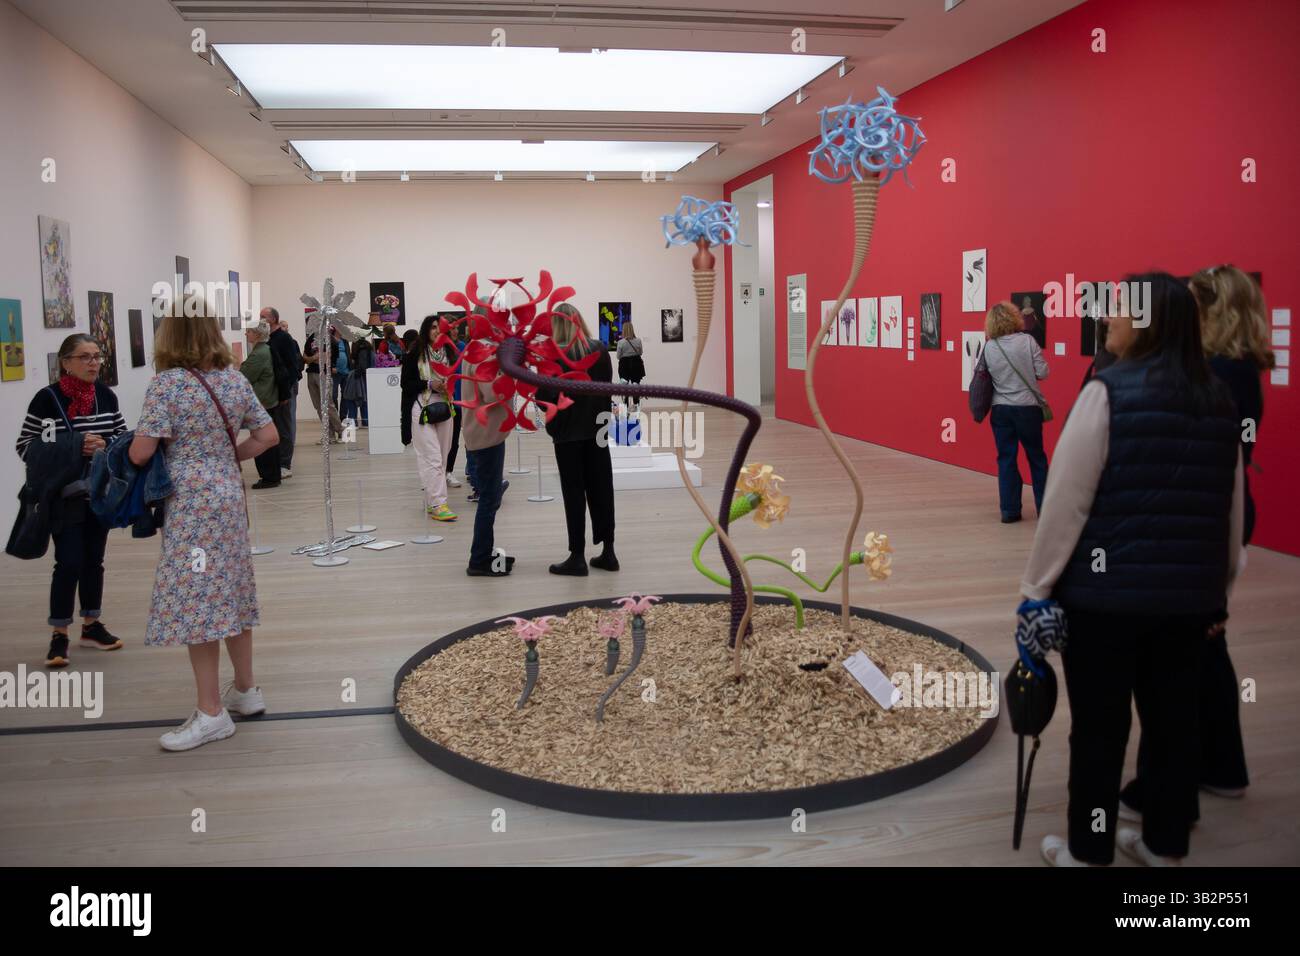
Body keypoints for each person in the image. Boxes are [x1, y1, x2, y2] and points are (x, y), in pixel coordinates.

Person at [1023, 273, 1243, 867]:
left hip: (1105, 603)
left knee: (1099, 731)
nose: (1108, 319)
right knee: (1174, 727)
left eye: (1118, 310)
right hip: (1188, 604)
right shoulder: (1219, 399)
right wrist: (1217, 595)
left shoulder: (1107, 392)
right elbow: (1230, 512)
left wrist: (1036, 588)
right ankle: (1164, 845)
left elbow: (1066, 503)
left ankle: (1091, 851)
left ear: (1144, 321)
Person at [1114, 266, 1275, 820]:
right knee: (1202, 646)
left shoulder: (1219, 375)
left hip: (1201, 519)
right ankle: (1219, 766)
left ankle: (1167, 790)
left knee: (1175, 658)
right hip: (1215, 516)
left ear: (1210, 311)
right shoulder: (1238, 370)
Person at [129, 305, 280, 751]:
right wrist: (225, 457)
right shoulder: (234, 380)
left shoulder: (168, 385)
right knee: (232, 586)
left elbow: (140, 453)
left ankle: (212, 712)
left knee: (198, 599)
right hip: (229, 499)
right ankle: (247, 690)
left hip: (192, 505)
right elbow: (268, 436)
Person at [15, 333, 127, 667]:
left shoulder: (106, 396)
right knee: (69, 562)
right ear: (66, 363)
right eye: (84, 357)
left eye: (97, 356)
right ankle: (59, 633)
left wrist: (107, 446)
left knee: (94, 560)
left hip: (99, 492)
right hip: (63, 495)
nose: (93, 363)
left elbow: (120, 437)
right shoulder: (47, 400)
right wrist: (75, 445)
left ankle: (91, 626)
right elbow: (26, 446)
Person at [536, 304, 617, 575]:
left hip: (568, 434)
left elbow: (543, 398)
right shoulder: (600, 351)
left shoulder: (552, 356)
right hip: (597, 430)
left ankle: (577, 555)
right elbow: (607, 387)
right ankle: (608, 551)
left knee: (574, 493)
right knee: (602, 488)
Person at [982, 301, 1050, 522]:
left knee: (1006, 459)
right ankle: (1045, 511)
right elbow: (1043, 372)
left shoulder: (990, 347)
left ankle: (1010, 511)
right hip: (1027, 408)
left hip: (1000, 409)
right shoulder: (1028, 341)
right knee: (1037, 459)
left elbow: (985, 376)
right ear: (1014, 318)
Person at [460, 333, 513, 577]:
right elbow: (493, 393)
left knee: (489, 497)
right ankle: (479, 559)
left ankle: (484, 553)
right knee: (489, 499)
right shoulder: (484, 353)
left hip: (481, 432)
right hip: (486, 434)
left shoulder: (475, 349)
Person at [401, 316, 457, 521]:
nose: (437, 331)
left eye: (440, 328)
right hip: (422, 407)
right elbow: (406, 384)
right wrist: (429, 384)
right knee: (431, 456)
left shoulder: (450, 352)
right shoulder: (415, 353)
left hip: (445, 408)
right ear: (426, 330)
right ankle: (439, 503)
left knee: (442, 456)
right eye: (433, 327)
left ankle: (432, 497)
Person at [240, 319, 281, 489]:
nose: (246, 334)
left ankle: (269, 477)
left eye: (249, 331)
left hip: (263, 401)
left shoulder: (259, 354)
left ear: (256, 334)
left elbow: (244, 376)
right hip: (267, 399)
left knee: (262, 441)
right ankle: (271, 475)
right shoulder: (264, 350)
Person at [265, 308, 303, 479]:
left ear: (273, 319)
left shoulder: (285, 339)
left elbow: (293, 366)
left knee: (286, 425)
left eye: (263, 317)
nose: (260, 320)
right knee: (278, 425)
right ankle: (278, 461)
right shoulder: (268, 339)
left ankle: (285, 463)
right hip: (275, 388)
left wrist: (286, 391)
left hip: (285, 388)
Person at [303, 329, 343, 443]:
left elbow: (329, 358)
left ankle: (341, 431)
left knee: (328, 404)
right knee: (318, 406)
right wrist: (315, 358)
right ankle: (329, 434)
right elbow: (305, 357)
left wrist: (317, 358)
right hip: (311, 374)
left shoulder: (331, 340)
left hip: (324, 374)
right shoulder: (311, 338)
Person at [342, 336, 373, 426]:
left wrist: (354, 372)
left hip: (358, 379)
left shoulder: (361, 352)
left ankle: (353, 421)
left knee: (351, 400)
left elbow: (361, 367)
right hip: (366, 378)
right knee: (364, 401)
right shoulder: (369, 351)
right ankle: (365, 420)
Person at [615, 321, 645, 410]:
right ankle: (636, 410)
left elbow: (618, 356)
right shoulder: (638, 340)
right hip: (636, 364)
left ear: (623, 330)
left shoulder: (620, 342)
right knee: (636, 387)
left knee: (625, 389)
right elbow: (640, 352)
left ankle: (625, 410)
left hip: (624, 365)